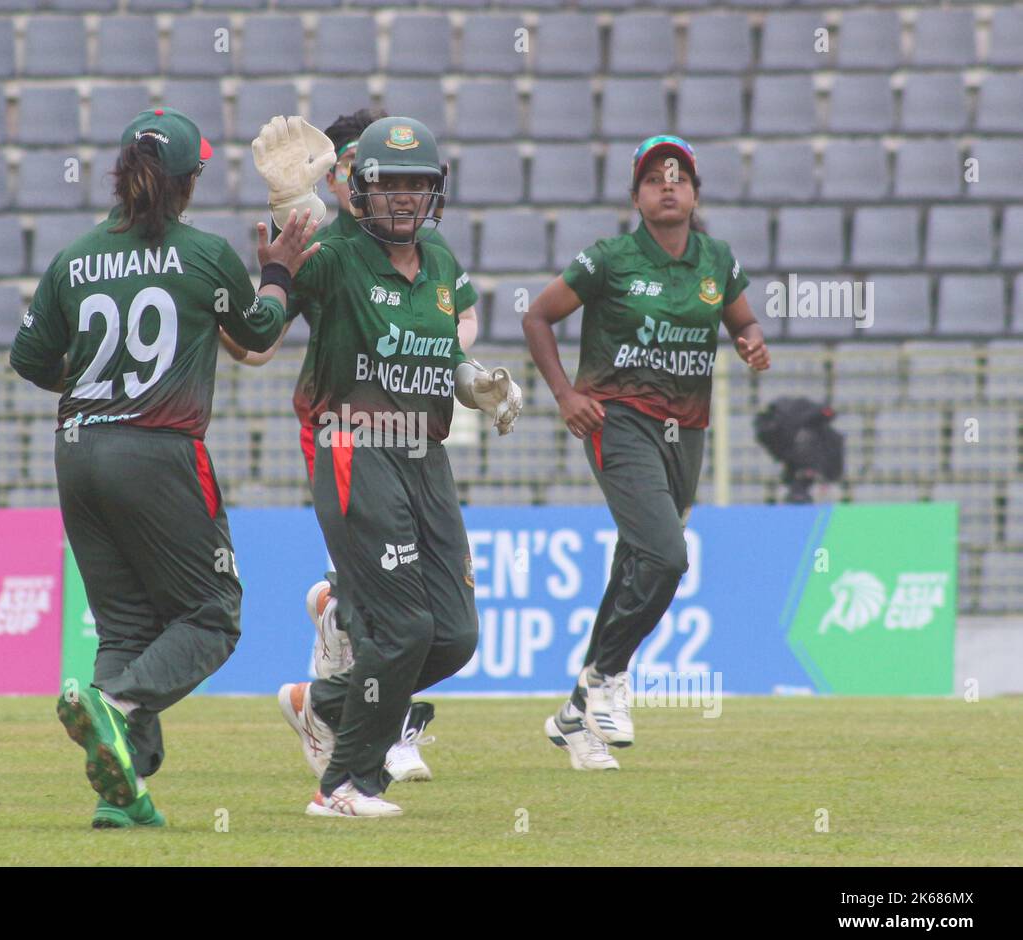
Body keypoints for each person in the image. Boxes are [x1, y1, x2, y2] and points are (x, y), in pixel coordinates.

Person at [9, 107, 319, 827]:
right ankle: (113, 710)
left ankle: (122, 797)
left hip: (79, 450)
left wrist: (97, 386)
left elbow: (28, 359)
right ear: (191, 182)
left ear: (123, 176)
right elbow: (260, 330)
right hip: (158, 451)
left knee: (123, 628)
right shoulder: (203, 254)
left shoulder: (74, 257)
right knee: (213, 616)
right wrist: (279, 271)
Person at [250, 114, 523, 816]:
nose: (404, 198)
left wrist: (475, 384)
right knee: (404, 629)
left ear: (436, 193)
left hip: (424, 456)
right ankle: (343, 785)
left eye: (417, 185)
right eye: (389, 184)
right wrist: (284, 205)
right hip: (355, 448)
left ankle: (326, 702)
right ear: (360, 190)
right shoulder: (337, 254)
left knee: (455, 635)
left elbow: (438, 351)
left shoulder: (438, 261)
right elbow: (256, 335)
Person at [522, 135, 771, 771]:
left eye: (679, 176)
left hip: (687, 429)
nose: (668, 185)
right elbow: (536, 317)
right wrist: (563, 394)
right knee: (666, 555)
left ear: (695, 193)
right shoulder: (608, 259)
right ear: (635, 196)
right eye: (655, 177)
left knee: (638, 560)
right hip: (617, 419)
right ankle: (608, 677)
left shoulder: (716, 260)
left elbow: (742, 320)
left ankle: (577, 712)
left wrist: (750, 340)